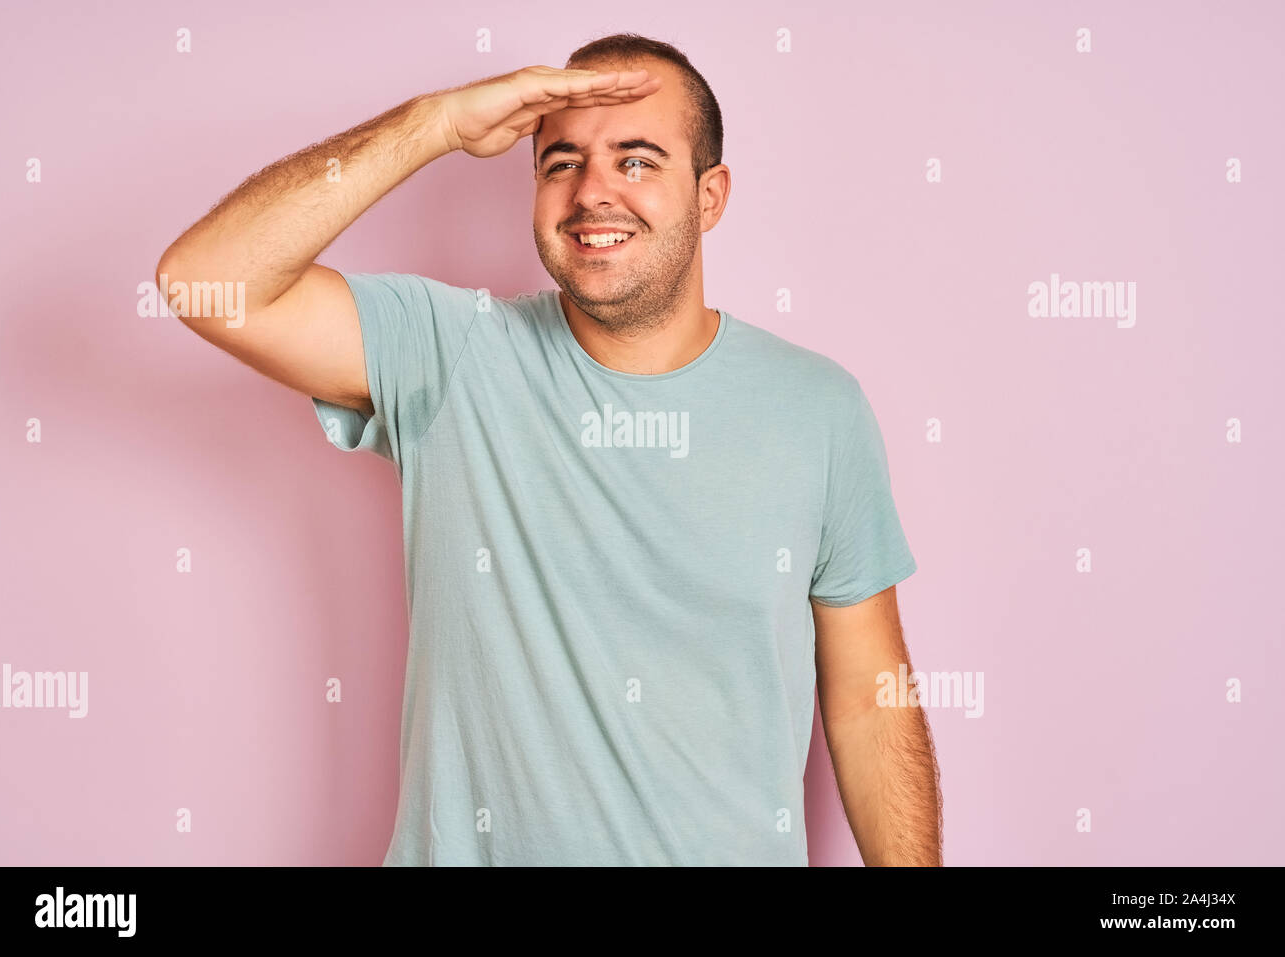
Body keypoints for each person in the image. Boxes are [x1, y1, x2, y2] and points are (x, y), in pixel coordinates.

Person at [157, 32, 940, 866]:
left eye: (637, 161)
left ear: (710, 196)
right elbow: (206, 278)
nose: (593, 191)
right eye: (561, 162)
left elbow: (868, 699)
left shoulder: (818, 407)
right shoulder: (451, 352)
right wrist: (438, 122)